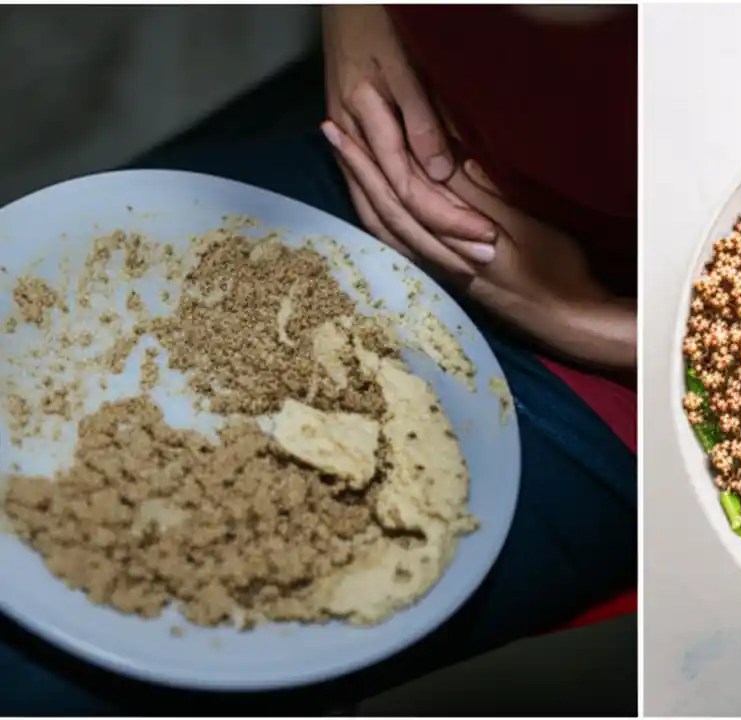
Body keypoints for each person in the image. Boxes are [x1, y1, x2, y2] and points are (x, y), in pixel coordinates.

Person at [0, 5, 636, 713]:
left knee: (42, 685)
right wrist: (357, 17)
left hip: (624, 380)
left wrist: (582, 320)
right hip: (394, 149)